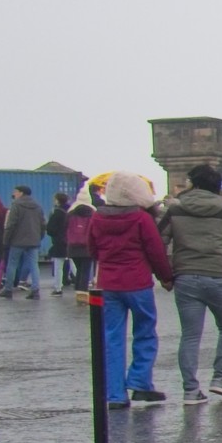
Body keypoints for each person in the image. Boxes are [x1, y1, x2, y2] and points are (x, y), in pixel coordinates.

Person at [160, 164, 222, 403]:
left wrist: (166, 273)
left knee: (190, 335)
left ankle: (190, 390)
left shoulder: (176, 209)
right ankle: (220, 379)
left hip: (186, 277)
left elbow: (158, 238)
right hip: (218, 275)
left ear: (194, 184)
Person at [87, 172, 174, 407]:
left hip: (108, 284)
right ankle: (139, 381)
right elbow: (155, 251)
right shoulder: (140, 218)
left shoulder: (97, 218)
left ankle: (115, 394)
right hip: (137, 283)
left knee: (112, 337)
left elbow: (93, 250)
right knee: (145, 332)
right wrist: (166, 277)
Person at [0, 186, 47, 297]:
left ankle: (8, 289)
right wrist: (39, 237)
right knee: (34, 265)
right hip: (34, 240)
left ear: (21, 193)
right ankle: (35, 290)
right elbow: (43, 224)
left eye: (15, 192)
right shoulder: (38, 206)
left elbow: (11, 224)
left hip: (17, 240)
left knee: (12, 264)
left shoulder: (16, 205)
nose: (14, 194)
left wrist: (6, 240)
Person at [65, 194, 96, 291]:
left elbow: (65, 228)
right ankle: (82, 291)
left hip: (73, 246)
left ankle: (78, 288)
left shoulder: (70, 213)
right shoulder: (93, 213)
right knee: (85, 270)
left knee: (79, 268)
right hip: (88, 246)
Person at [44, 193, 72, 292]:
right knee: (74, 264)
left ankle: (58, 287)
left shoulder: (57, 212)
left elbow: (50, 229)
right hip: (71, 241)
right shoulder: (71, 211)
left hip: (59, 242)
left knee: (58, 266)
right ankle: (82, 286)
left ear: (57, 200)